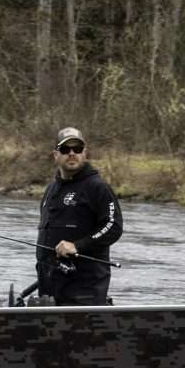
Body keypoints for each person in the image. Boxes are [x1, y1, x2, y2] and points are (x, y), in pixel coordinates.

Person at [34, 126, 123, 305]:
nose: (72, 153)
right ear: (56, 155)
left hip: (84, 290)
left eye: (78, 149)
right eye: (66, 149)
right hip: (51, 289)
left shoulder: (97, 187)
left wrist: (78, 246)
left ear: (85, 152)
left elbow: (113, 226)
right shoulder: (51, 190)